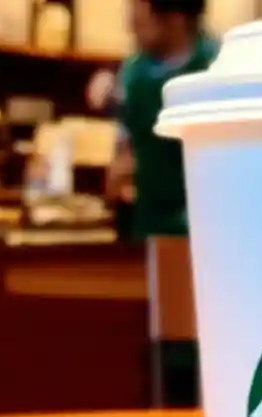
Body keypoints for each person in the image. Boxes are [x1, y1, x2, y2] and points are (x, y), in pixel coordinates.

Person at [90, 0, 217, 243]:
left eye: (140, 21)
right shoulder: (133, 71)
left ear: (176, 19)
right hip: (147, 226)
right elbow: (124, 151)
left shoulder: (216, 68)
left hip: (206, 230)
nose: (130, 27)